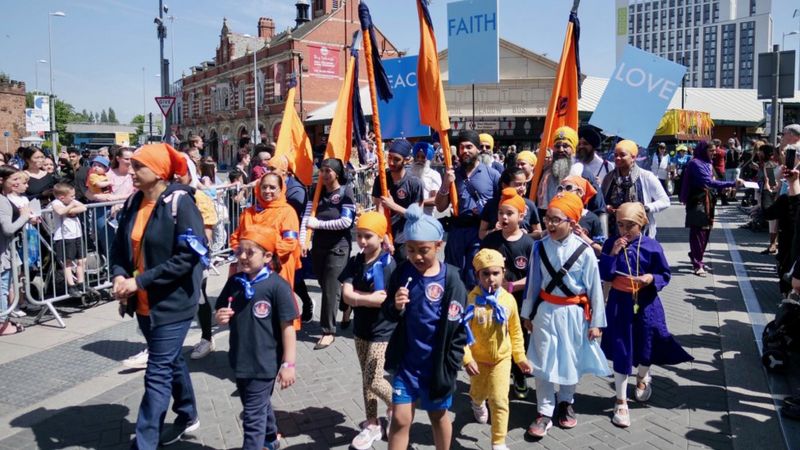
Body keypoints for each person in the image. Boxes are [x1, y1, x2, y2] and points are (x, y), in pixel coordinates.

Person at [110, 143, 206, 448]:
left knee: (157, 372)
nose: (132, 171)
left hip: (173, 302)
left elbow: (187, 257)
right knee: (171, 359)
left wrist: (140, 281)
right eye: (131, 165)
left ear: (159, 171)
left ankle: (145, 442)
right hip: (143, 303)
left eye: (139, 166)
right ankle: (188, 414)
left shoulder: (181, 203)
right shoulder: (133, 202)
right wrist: (119, 275)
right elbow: (119, 248)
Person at [520, 192, 610, 439]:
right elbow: (532, 284)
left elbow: (595, 289)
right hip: (545, 312)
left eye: (556, 220)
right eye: (547, 218)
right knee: (542, 360)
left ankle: (566, 401)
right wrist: (527, 314)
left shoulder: (585, 251)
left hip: (574, 314)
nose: (549, 224)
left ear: (572, 222)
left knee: (570, 359)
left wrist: (596, 323)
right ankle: (544, 411)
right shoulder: (539, 247)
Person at [599, 203, 693, 427]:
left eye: (629, 225)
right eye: (620, 225)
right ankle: (621, 401)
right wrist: (612, 254)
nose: (624, 231)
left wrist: (650, 278)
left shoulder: (652, 246)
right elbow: (605, 274)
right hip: (619, 303)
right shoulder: (611, 243)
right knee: (622, 348)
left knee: (648, 342)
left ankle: (642, 376)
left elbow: (664, 273)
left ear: (641, 224)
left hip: (647, 302)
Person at [383, 203, 468, 450]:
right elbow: (387, 313)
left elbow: (458, 328)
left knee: (438, 415)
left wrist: (452, 362)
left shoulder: (451, 279)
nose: (417, 256)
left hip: (436, 366)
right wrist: (395, 306)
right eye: (410, 250)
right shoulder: (402, 273)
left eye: (424, 250)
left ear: (438, 246)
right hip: (407, 363)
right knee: (400, 419)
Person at [214, 228, 297, 450]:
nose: (242, 256)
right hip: (239, 358)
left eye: (250, 252)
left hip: (264, 362)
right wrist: (219, 315)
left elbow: (288, 328)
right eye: (239, 251)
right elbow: (220, 308)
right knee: (256, 405)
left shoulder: (277, 286)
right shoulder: (235, 282)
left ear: (267, 256)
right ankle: (270, 438)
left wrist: (289, 364)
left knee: (252, 417)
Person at [463, 248, 533, 450]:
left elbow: (516, 331)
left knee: (500, 400)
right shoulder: (471, 300)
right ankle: (477, 403)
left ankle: (498, 442)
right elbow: (461, 334)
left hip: (502, 359)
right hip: (478, 360)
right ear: (477, 275)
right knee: (478, 392)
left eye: (496, 273)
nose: (491, 279)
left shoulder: (508, 300)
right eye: (485, 274)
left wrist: (520, 357)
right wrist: (467, 358)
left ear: (503, 273)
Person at [340, 212, 397, 450]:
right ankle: (372, 423)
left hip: (382, 331)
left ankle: (399, 407)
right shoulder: (356, 261)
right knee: (366, 379)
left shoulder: (386, 264)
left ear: (381, 237)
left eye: (368, 236)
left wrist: (358, 297)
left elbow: (381, 299)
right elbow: (346, 295)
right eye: (359, 235)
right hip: (360, 329)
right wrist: (365, 298)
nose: (362, 241)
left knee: (374, 379)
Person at [479, 188, 536, 400]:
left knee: (518, 338)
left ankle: (519, 375)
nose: (504, 217)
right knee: (493, 337)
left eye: (509, 213)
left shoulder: (529, 244)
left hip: (518, 301)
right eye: (501, 212)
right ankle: (491, 377)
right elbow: (480, 266)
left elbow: (534, 277)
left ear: (521, 216)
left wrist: (512, 287)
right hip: (492, 300)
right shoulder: (491, 240)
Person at [436, 130, 501, 289]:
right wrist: (446, 184)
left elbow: (501, 204)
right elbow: (440, 206)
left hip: (480, 232)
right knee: (453, 276)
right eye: (462, 147)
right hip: (457, 232)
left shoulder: (492, 175)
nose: (465, 151)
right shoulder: (452, 175)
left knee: (476, 276)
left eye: (469, 147)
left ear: (478, 149)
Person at [301, 158, 355, 350]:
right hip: (318, 246)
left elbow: (346, 222)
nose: (323, 174)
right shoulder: (316, 191)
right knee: (324, 283)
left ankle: (328, 331)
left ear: (337, 173)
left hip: (338, 246)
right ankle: (347, 303)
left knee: (331, 288)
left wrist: (319, 224)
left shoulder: (345, 192)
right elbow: (307, 217)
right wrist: (303, 240)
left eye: (328, 171)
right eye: (322, 170)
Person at [680, 140, 742, 276]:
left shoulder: (708, 162)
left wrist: (721, 189)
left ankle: (696, 256)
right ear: (703, 150)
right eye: (711, 150)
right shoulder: (696, 163)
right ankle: (698, 264)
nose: (714, 153)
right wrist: (732, 183)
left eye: (714, 150)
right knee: (698, 232)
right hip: (698, 201)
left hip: (708, 200)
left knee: (706, 231)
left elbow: (712, 182)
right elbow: (708, 181)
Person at [601, 139, 670, 239]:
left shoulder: (647, 176)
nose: (618, 158)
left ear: (633, 157)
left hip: (641, 235)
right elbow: (601, 202)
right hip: (614, 234)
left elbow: (665, 201)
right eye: (615, 155)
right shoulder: (609, 178)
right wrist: (607, 207)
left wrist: (646, 208)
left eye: (622, 155)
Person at [371, 139, 425, 261]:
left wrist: (393, 206)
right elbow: (379, 210)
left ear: (406, 160)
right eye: (389, 157)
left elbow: (417, 216)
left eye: (396, 159)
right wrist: (384, 236)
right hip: (385, 237)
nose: (391, 162)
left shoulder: (415, 183)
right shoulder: (381, 179)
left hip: (406, 238)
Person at [0, 166, 33, 335]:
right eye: (13, 179)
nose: (17, 183)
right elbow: (8, 229)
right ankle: (3, 325)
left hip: (5, 249)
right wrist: (25, 216)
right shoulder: (2, 201)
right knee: (2, 287)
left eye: (18, 179)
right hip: (2, 251)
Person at [479, 169, 541, 240]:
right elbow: (481, 234)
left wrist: (523, 236)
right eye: (518, 184)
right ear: (504, 185)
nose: (522, 188)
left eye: (524, 184)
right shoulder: (491, 205)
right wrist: (495, 231)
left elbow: (539, 233)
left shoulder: (530, 205)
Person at [536, 126, 585, 214]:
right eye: (557, 146)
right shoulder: (545, 173)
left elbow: (598, 208)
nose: (561, 150)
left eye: (565, 146)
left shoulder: (583, 172)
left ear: (573, 149)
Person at [50, 183, 87, 297]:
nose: (74, 198)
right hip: (64, 236)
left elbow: (84, 207)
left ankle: (81, 283)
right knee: (68, 262)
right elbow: (60, 212)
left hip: (77, 234)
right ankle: (71, 286)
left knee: (82, 260)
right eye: (71, 196)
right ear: (62, 197)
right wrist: (71, 206)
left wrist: (70, 207)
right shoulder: (56, 203)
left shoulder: (71, 202)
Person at [560, 176, 606, 255]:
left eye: (568, 188)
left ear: (580, 192)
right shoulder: (556, 214)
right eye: (560, 188)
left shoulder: (592, 219)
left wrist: (582, 236)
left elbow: (601, 251)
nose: (563, 192)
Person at [409, 142, 442, 216]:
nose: (419, 160)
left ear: (428, 160)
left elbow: (435, 199)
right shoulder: (408, 173)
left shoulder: (434, 175)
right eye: (417, 156)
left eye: (423, 157)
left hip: (425, 218)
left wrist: (416, 203)